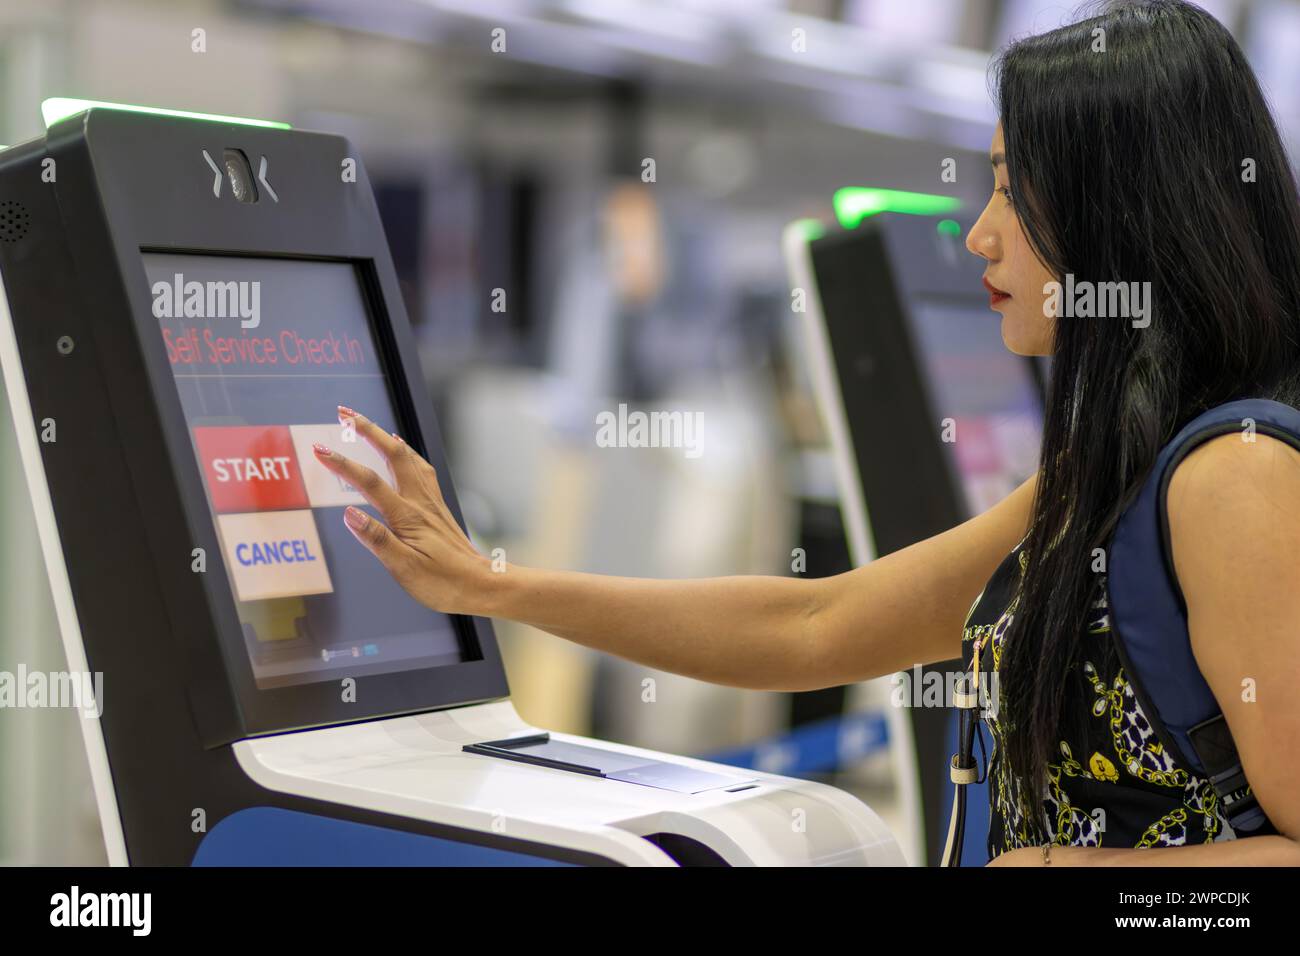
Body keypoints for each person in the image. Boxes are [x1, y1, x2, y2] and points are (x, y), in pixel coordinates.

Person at [311, 0, 1300, 865]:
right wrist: (491, 585)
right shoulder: (1113, 470)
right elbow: (816, 624)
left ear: (1115, 209)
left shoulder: (1231, 478)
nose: (980, 232)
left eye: (1011, 185)